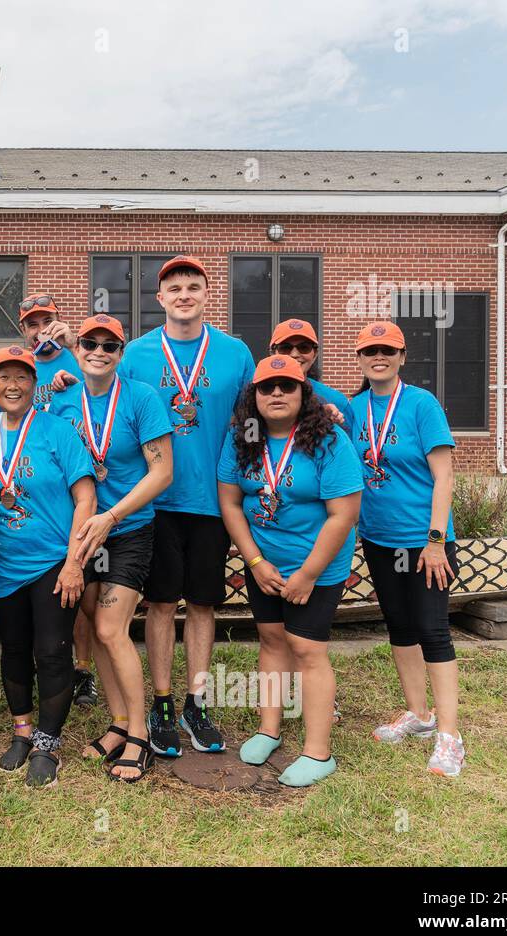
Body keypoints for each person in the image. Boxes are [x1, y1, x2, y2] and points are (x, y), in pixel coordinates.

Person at [118, 256, 256, 755]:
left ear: (206, 294)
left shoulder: (235, 353)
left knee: (202, 602)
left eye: (192, 286)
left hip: (212, 500)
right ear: (160, 299)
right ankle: (159, 704)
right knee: (158, 603)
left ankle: (196, 701)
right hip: (155, 500)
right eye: (173, 287)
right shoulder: (134, 354)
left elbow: (253, 420)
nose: (183, 295)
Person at [218, 356, 362, 787]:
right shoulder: (242, 438)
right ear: (254, 396)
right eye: (267, 387)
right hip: (266, 566)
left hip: (316, 565)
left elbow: (343, 515)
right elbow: (229, 502)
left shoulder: (328, 439)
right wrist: (256, 563)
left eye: (287, 386)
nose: (277, 394)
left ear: (304, 394)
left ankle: (319, 753)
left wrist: (308, 575)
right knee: (271, 639)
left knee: (306, 648)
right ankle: (269, 729)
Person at [47, 315, 174, 783]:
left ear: (121, 354)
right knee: (91, 625)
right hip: (83, 528)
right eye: (90, 344)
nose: (99, 351)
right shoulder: (61, 399)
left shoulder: (141, 398)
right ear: (76, 349)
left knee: (109, 625)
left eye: (109, 345)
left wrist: (112, 516)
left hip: (128, 528)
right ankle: (118, 721)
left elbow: (162, 473)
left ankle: (140, 734)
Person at [0, 346, 97, 788]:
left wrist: (73, 562)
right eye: (3, 377)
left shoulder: (57, 431)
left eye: (22, 377)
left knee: (52, 651)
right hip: (3, 567)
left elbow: (86, 498)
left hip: (52, 563)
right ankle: (22, 731)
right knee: (14, 652)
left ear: (34, 383)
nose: (12, 385)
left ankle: (48, 742)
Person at [347, 322, 465, 777]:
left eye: (387, 350)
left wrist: (436, 541)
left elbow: (444, 477)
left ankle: (450, 737)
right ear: (359, 358)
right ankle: (419, 714)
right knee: (399, 625)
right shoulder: (354, 409)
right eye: (370, 351)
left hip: (425, 542)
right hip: (379, 539)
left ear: (402, 356)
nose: (379, 357)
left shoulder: (421, 404)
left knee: (433, 630)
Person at [17, 294, 98, 706]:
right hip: (38, 494)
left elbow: (108, 389)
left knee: (83, 595)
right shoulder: (19, 370)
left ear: (60, 320)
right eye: (32, 323)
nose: (40, 329)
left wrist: (73, 349)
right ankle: (41, 665)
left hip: (89, 489)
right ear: (22, 329)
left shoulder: (80, 359)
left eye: (46, 320)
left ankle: (82, 669)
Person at [270, 318, 352, 427]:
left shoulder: (337, 401)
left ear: (315, 354)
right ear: (272, 354)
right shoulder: (258, 397)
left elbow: (348, 441)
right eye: (285, 348)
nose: (294, 354)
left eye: (304, 347)